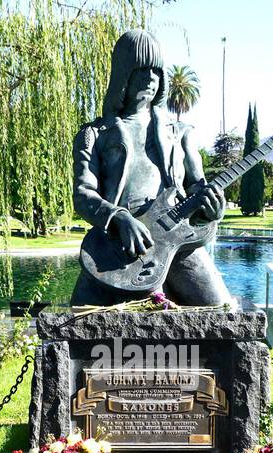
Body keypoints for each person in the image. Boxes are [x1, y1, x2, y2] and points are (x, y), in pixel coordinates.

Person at [71, 29, 232, 306]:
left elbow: (198, 188)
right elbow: (83, 194)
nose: (150, 79)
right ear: (123, 74)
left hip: (177, 241)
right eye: (140, 70)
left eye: (156, 71)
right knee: (76, 321)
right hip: (116, 248)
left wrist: (213, 210)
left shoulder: (181, 134)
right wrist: (119, 219)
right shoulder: (94, 134)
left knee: (222, 311)